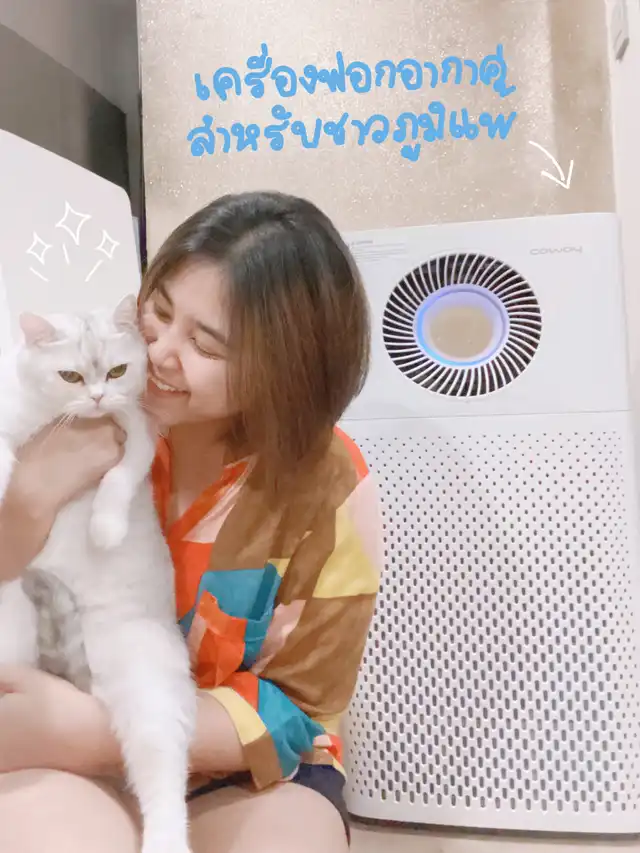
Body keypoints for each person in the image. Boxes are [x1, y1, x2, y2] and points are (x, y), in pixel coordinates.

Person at [0, 191, 382, 853]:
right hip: (57, 743)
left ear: (283, 370)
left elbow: (304, 702)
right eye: (160, 311)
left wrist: (94, 730)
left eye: (205, 344)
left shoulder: (327, 484)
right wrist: (29, 502)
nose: (161, 352)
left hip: (236, 764)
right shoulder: (76, 413)